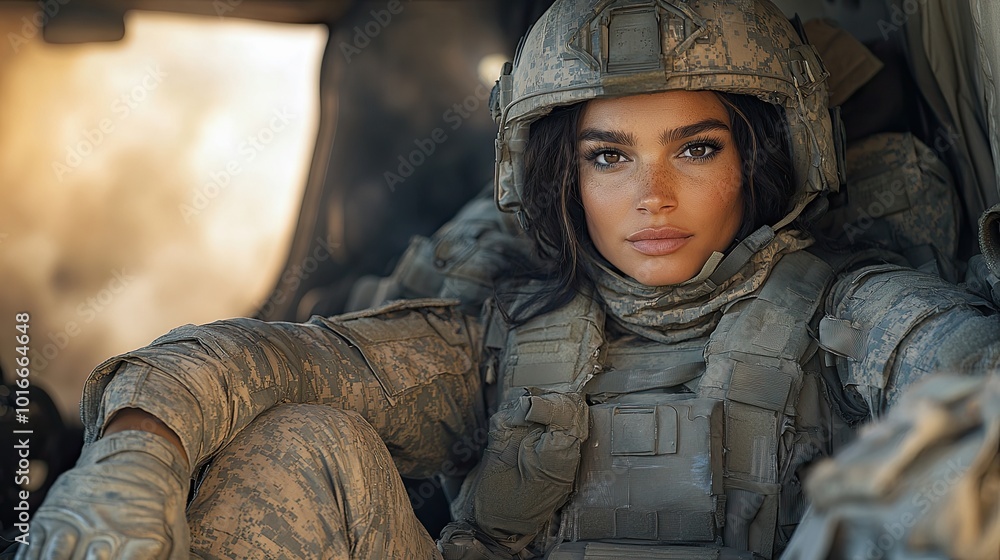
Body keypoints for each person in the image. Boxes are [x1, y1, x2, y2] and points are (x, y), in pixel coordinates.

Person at [16, 1, 1000, 559]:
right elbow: (273, 359)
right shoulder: (506, 332)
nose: (651, 195)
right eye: (609, 157)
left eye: (694, 149)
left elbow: (972, 378)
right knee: (298, 442)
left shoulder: (852, 311)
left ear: (761, 159)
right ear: (562, 180)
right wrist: (135, 452)